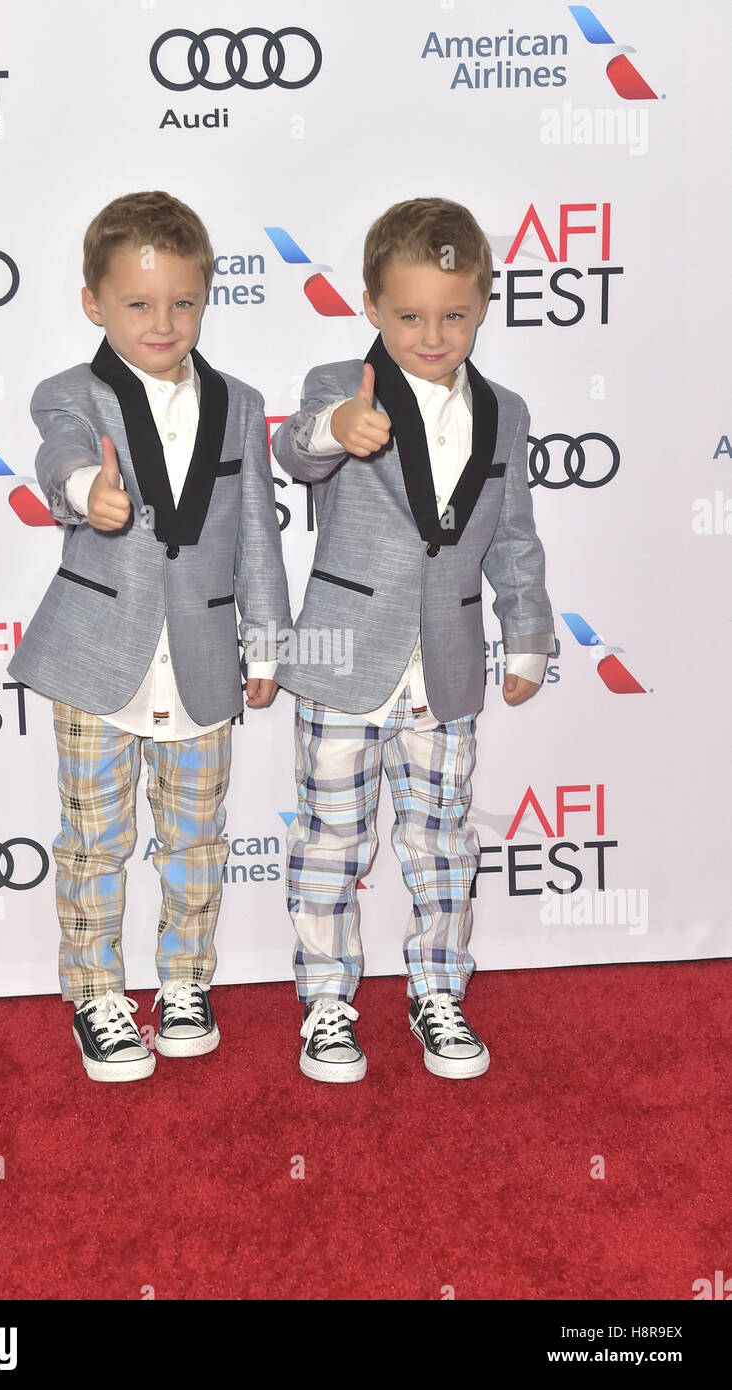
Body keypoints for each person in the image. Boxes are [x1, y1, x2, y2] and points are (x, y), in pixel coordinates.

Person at [8, 191, 290, 1082]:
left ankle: (182, 984)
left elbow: (256, 531)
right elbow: (58, 455)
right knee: (94, 839)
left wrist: (268, 641)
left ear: (206, 297)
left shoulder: (240, 404)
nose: (163, 322)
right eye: (137, 303)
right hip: (98, 661)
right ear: (92, 302)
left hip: (204, 661)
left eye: (182, 302)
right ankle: (96, 993)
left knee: (197, 839)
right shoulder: (68, 394)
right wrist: (87, 483)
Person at [272, 197, 555, 1083]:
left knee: (442, 842)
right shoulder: (337, 383)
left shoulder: (506, 412)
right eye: (409, 316)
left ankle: (439, 990)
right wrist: (333, 431)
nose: (432, 334)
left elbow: (513, 535)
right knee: (330, 839)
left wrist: (529, 635)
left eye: (454, 315)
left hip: (449, 666)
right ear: (370, 307)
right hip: (342, 661)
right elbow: (295, 450)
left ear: (482, 306)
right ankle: (326, 1004)